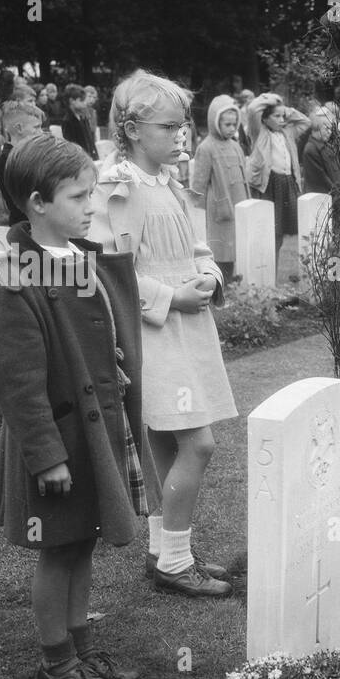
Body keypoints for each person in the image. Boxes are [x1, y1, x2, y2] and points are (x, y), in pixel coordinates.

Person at [0, 134, 148, 679]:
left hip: (98, 432)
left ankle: (82, 646)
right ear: (37, 203)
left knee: (83, 542)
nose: (91, 205)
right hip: (59, 442)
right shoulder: (13, 278)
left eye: (91, 193)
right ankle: (55, 662)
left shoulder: (81, 257)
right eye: (77, 196)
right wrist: (46, 455)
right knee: (57, 548)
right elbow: (17, 383)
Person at [89, 70, 238, 599]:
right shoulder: (118, 187)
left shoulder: (168, 181)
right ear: (130, 129)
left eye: (184, 125)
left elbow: (197, 247)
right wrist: (169, 297)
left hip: (188, 328)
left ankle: (162, 550)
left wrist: (210, 275)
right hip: (152, 333)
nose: (181, 136)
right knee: (197, 445)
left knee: (162, 442)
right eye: (168, 126)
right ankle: (176, 560)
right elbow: (109, 268)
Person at [190, 93, 251, 285]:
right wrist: (197, 214)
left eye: (235, 124)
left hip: (239, 201)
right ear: (215, 122)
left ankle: (233, 278)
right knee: (221, 246)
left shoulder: (236, 146)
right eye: (227, 125)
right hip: (219, 206)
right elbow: (199, 184)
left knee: (236, 245)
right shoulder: (206, 148)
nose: (232, 128)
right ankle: (219, 282)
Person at [245, 92, 308, 253]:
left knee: (280, 235)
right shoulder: (259, 132)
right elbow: (253, 109)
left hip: (287, 183)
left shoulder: (288, 131)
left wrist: (284, 109)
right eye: (276, 116)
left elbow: (305, 122)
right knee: (268, 232)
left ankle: (273, 271)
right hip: (269, 185)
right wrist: (273, 100)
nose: (281, 120)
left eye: (283, 116)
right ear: (265, 118)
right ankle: (265, 269)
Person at [0, 100, 45, 226]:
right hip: (21, 231)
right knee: (16, 247)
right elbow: (23, 202)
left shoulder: (28, 153)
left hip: (38, 226)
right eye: (36, 127)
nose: (41, 132)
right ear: (19, 128)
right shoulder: (7, 160)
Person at [300, 103, 340, 194]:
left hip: (332, 196)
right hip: (321, 199)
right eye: (326, 129)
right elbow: (322, 179)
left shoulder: (327, 146)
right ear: (317, 127)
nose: (329, 132)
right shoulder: (311, 149)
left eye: (331, 129)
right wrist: (338, 194)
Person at [59, 84, 99, 159]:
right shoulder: (67, 121)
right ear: (72, 101)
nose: (85, 103)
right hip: (79, 160)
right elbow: (71, 146)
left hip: (89, 157)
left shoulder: (84, 117)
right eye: (81, 100)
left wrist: (95, 156)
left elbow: (90, 141)